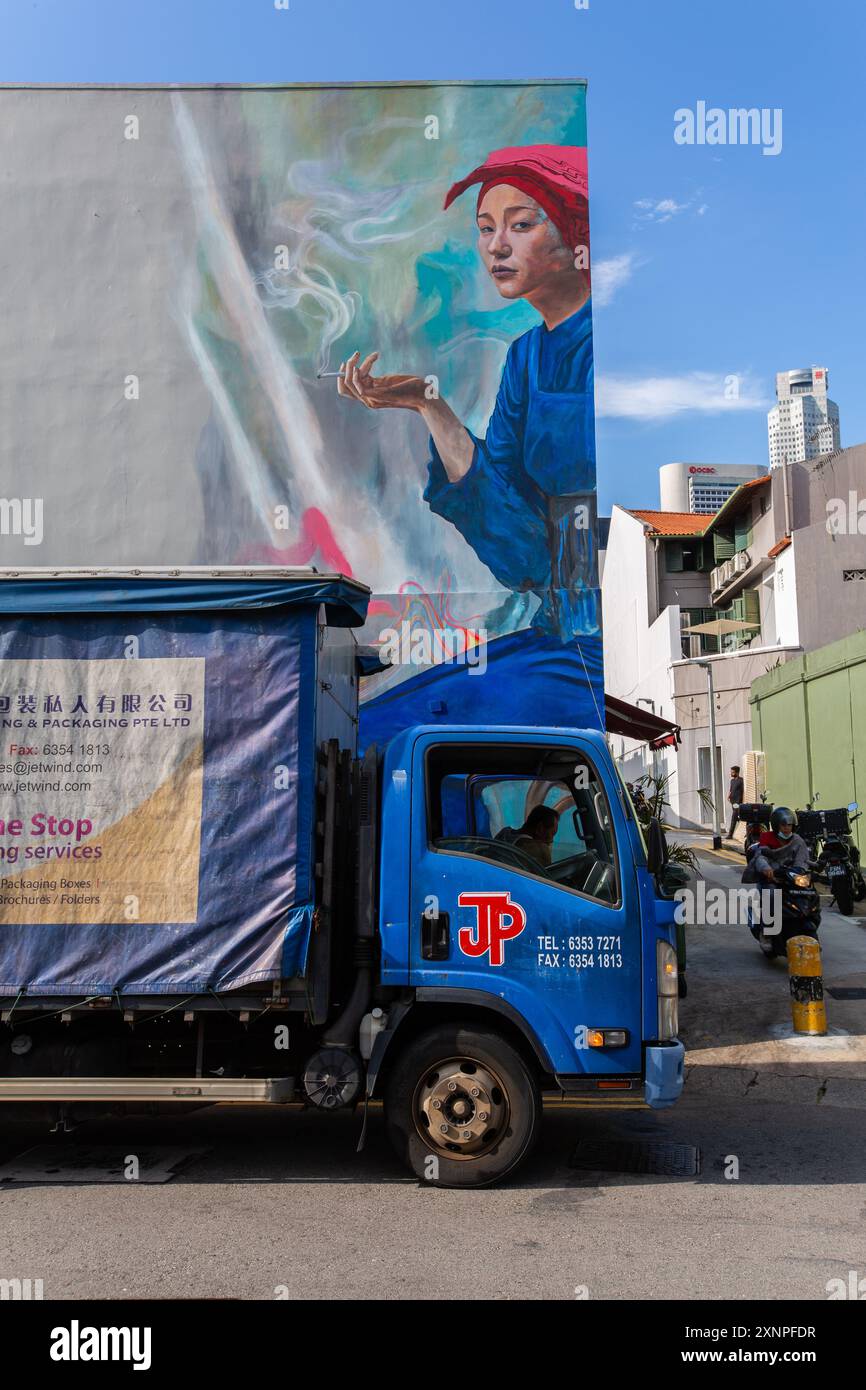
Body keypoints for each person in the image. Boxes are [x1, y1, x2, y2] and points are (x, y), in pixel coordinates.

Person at [336, 144, 598, 641]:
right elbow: (516, 548)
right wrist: (427, 404)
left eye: (521, 225)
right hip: (561, 629)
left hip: (603, 636)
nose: (497, 246)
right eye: (485, 228)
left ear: (577, 234)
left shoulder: (601, 344)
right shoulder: (525, 358)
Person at [746, 807, 810, 882]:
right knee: (771, 891)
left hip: (793, 877)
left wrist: (800, 870)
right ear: (776, 826)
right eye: (783, 825)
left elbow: (802, 858)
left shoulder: (797, 840)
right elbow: (760, 856)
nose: (787, 828)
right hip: (771, 877)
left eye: (789, 825)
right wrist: (766, 868)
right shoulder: (766, 837)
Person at [496, 805, 559, 869]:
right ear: (540, 828)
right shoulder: (540, 849)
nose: (551, 840)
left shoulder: (504, 832)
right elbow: (548, 876)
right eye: (552, 833)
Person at [727, 765, 744, 839]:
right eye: (731, 772)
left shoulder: (741, 780)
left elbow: (743, 791)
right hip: (732, 802)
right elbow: (731, 790)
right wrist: (728, 796)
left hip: (737, 802)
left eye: (733, 772)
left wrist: (742, 800)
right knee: (738, 817)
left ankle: (730, 835)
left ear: (737, 772)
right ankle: (740, 831)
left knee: (733, 818)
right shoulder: (732, 781)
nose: (731, 773)